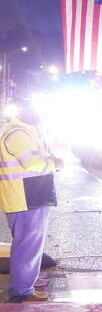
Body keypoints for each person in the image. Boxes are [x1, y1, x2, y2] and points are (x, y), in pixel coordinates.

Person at [1, 108, 57, 302]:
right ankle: (22, 291)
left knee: (28, 244)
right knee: (27, 245)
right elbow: (32, 163)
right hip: (26, 198)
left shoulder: (26, 132)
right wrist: (54, 163)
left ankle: (24, 288)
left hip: (29, 196)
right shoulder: (18, 134)